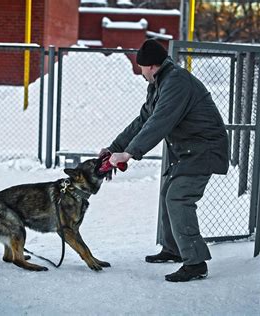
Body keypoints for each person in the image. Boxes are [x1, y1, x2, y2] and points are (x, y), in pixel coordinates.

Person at [100, 39, 229, 282]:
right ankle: (174, 250)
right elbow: (142, 121)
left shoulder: (176, 82)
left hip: (204, 149)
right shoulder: (161, 83)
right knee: (168, 192)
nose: (140, 73)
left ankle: (195, 263)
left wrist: (129, 153)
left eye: (140, 68)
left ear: (150, 66)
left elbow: (160, 122)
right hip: (189, 150)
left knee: (178, 197)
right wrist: (114, 148)